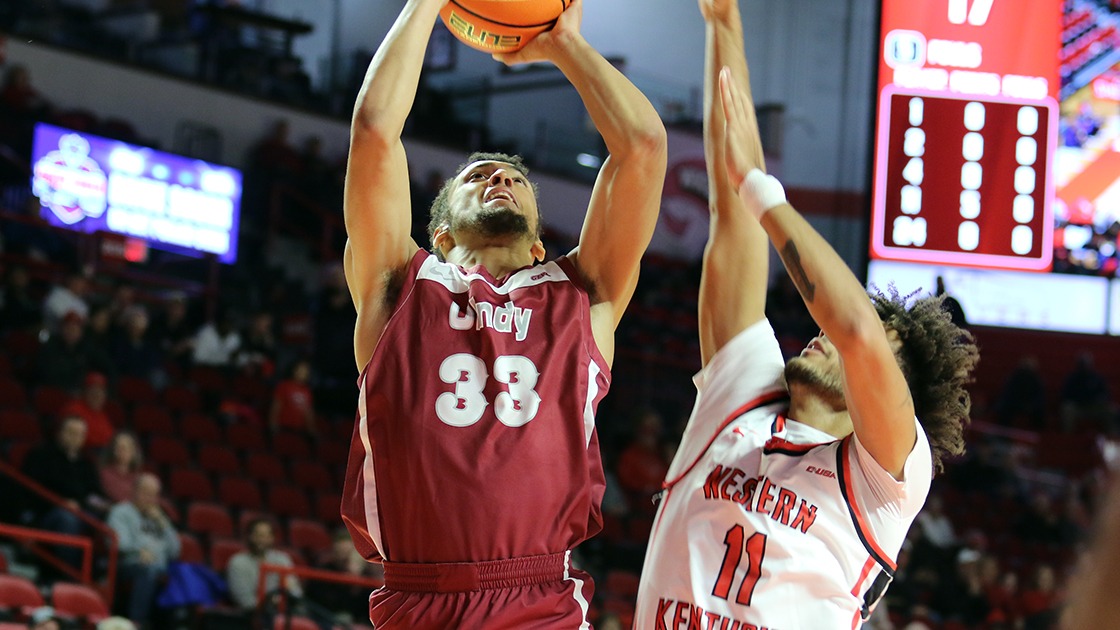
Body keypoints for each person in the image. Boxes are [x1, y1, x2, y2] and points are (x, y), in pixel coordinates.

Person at [632, 2, 978, 628]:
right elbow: (730, 212)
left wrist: (763, 192)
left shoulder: (888, 480)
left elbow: (857, 332)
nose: (824, 331)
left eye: (880, 350)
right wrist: (724, 23)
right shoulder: (741, 398)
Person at [338, 0, 667, 627]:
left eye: (514, 178)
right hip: (418, 594)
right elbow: (375, 131)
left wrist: (566, 45)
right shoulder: (397, 282)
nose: (499, 179)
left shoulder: (580, 292)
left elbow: (644, 147)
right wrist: (425, 5)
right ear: (436, 234)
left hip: (539, 597)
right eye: (478, 176)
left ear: (540, 244)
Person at [106, 473, 181, 627]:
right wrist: (139, 551)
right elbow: (119, 544)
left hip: (160, 567)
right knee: (148, 569)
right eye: (145, 492)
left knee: (182, 576)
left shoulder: (159, 517)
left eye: (154, 494)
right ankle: (138, 622)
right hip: (128, 563)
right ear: (134, 491)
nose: (150, 498)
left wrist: (163, 523)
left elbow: (175, 551)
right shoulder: (121, 512)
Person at [226, 518, 301, 613]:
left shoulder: (282, 559)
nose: (263, 540)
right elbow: (246, 602)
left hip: (285, 612)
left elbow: (296, 592)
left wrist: (282, 600)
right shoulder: (238, 562)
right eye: (259, 535)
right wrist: (271, 603)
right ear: (250, 536)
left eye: (268, 536)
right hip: (253, 615)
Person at [99, 430, 144, 505]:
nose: (122, 451)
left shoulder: (138, 476)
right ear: (113, 450)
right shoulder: (105, 473)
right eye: (119, 448)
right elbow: (118, 497)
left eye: (126, 448)